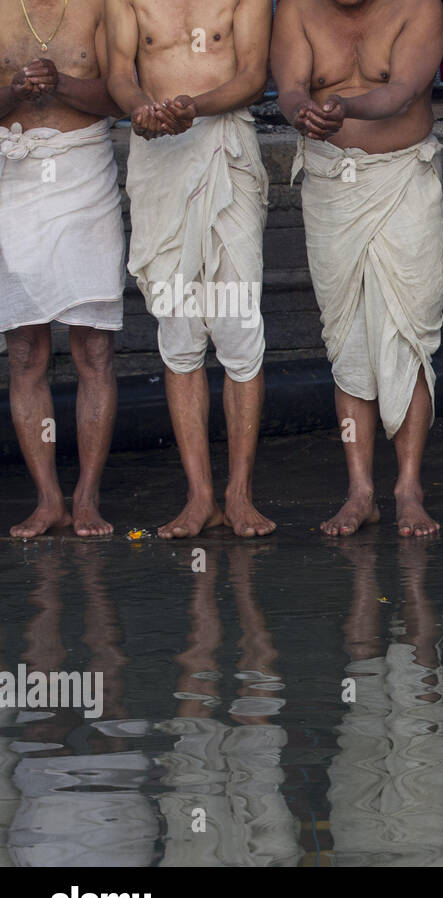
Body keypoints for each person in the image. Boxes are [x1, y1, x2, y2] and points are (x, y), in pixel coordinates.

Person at [271, 0, 443, 537]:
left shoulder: (417, 7)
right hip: (331, 185)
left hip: (403, 178)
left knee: (409, 330)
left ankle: (409, 487)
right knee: (346, 335)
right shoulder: (298, 9)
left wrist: (343, 107)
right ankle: (361, 490)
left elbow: (404, 92)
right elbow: (290, 89)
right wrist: (303, 111)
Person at [106, 0, 276, 538]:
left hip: (225, 147)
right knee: (178, 333)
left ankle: (239, 493)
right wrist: (142, 109)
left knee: (238, 327)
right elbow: (118, 70)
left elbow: (252, 76)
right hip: (158, 152)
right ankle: (200, 496)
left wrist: (192, 107)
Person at [1, 0, 124, 538]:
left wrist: (62, 86)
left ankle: (87, 497)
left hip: (84, 175)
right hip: (14, 176)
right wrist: (14, 92)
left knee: (93, 347)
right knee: (26, 349)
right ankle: (48, 498)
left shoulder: (100, 5)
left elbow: (121, 94)